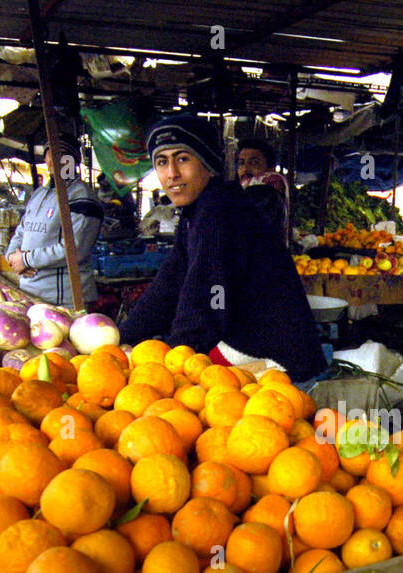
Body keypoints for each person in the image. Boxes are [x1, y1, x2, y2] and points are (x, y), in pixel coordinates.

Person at [119, 115, 326, 381]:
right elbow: (168, 285)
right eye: (162, 162)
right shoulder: (195, 212)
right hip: (251, 349)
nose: (171, 173)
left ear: (208, 164)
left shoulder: (219, 210)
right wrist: (122, 338)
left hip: (276, 364)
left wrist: (174, 366)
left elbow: (205, 299)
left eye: (183, 159)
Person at [1, 132, 103, 308]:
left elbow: (74, 249)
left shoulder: (83, 197)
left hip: (64, 300)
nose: (55, 159)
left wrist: (26, 260)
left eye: (63, 154)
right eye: (51, 153)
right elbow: (20, 231)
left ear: (74, 160)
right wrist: (12, 257)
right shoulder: (39, 193)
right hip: (30, 293)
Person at [235, 136, 290, 242]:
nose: (245, 169)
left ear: (271, 168)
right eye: (241, 163)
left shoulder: (265, 192)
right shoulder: (244, 191)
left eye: (254, 163)